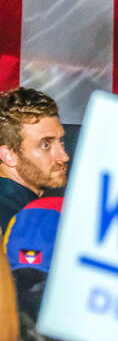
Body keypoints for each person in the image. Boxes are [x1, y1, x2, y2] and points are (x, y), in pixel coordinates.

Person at [0, 87, 68, 234]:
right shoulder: (19, 222)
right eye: (45, 145)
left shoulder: (27, 209)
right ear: (9, 155)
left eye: (60, 142)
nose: (64, 156)